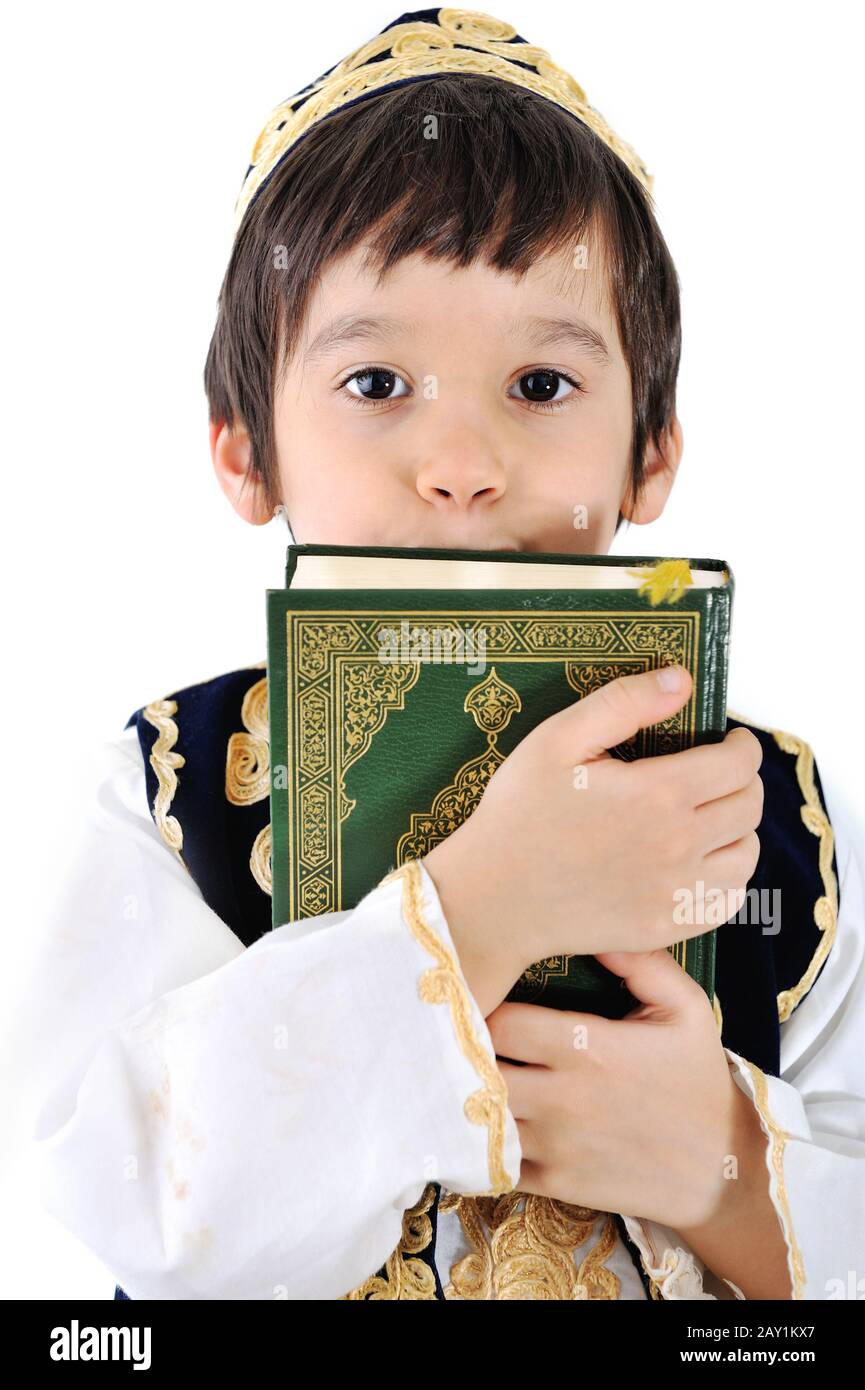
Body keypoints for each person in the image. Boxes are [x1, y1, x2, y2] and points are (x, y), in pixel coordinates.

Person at [26, 8, 864, 1301]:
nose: (463, 468)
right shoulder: (167, 788)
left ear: (650, 449)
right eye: (375, 384)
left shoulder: (781, 824)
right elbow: (127, 1200)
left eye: (540, 384)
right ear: (245, 449)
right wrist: (478, 912)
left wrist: (724, 1170)